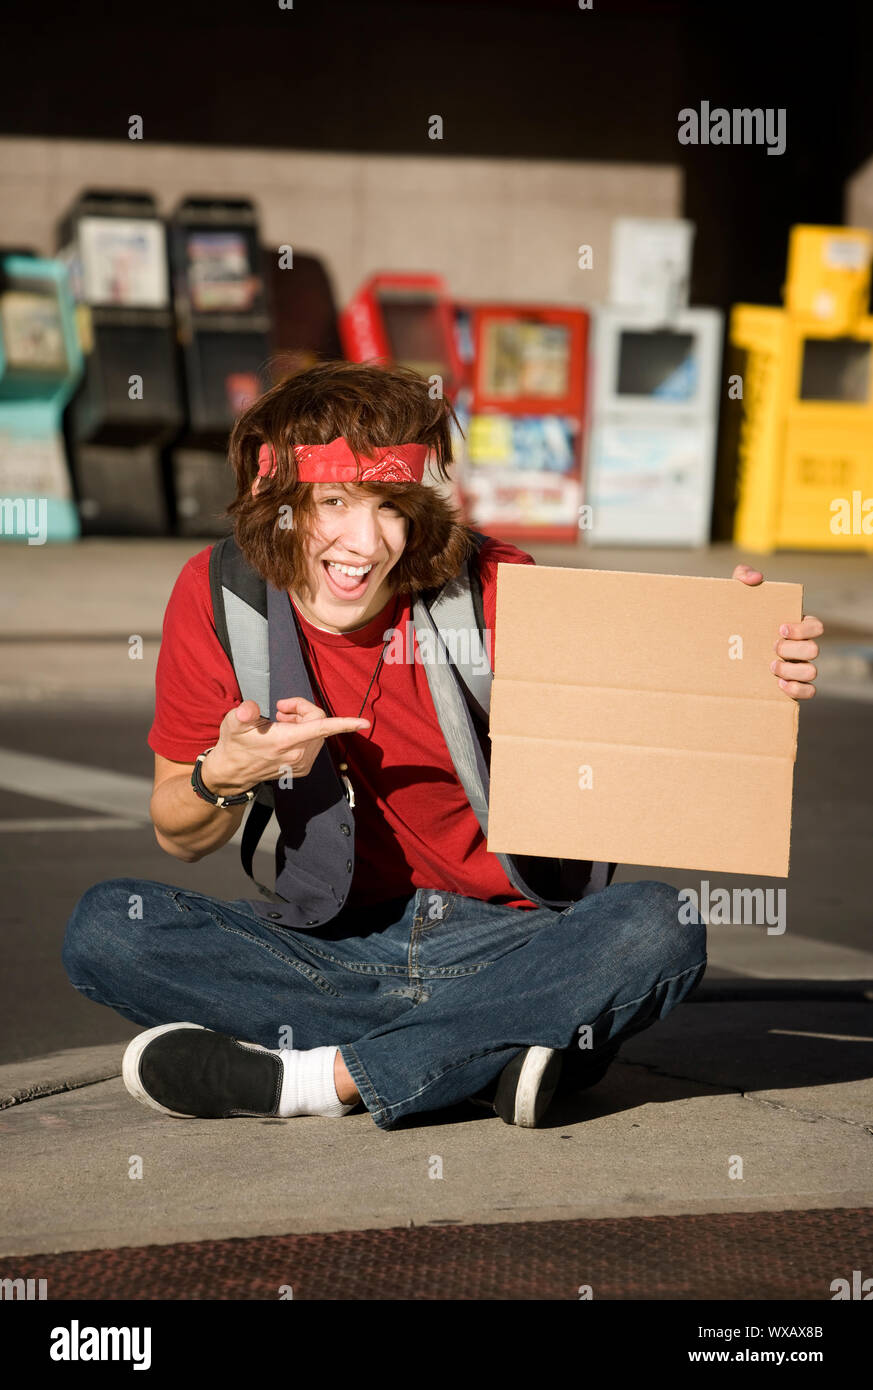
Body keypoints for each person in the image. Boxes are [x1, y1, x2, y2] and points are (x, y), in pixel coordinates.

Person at [61, 361, 824, 1130]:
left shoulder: (496, 586)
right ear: (276, 506)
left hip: (513, 938)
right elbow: (176, 831)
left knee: (659, 926)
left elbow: (642, 718)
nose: (366, 542)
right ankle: (493, 1046)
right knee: (108, 926)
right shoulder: (218, 595)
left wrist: (738, 660)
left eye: (392, 506)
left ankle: (321, 1078)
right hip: (335, 943)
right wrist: (225, 774)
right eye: (333, 503)